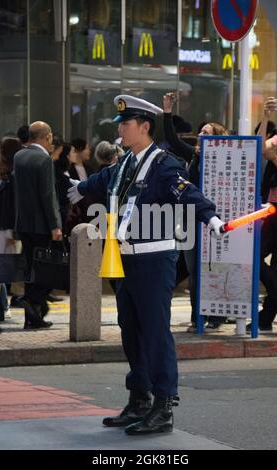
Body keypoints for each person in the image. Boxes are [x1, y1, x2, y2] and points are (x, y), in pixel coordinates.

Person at [68, 95, 224, 435]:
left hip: (154, 261)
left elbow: (188, 193)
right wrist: (79, 187)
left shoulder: (164, 164)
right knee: (131, 331)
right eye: (120, 123)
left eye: (125, 124)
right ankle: (139, 397)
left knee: (155, 332)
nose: (120, 128)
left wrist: (212, 219)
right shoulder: (125, 164)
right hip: (125, 261)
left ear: (145, 127)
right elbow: (102, 181)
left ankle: (164, 405)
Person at [163, 92, 228, 331]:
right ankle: (197, 316)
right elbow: (171, 139)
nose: (201, 134)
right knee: (194, 270)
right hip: (191, 220)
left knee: (213, 267)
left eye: (207, 132)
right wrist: (167, 111)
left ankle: (217, 316)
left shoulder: (223, 159)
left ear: (218, 139)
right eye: (202, 131)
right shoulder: (195, 154)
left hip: (213, 220)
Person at [14, 121, 62, 329]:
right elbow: (47, 195)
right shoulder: (43, 159)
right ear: (47, 137)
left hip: (23, 223)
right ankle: (30, 299)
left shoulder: (19, 156)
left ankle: (32, 318)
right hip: (42, 224)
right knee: (48, 270)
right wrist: (55, 225)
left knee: (32, 269)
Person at [247, 97, 277, 334]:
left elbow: (270, 155)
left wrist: (276, 159)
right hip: (273, 208)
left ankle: (266, 318)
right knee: (253, 256)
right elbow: (259, 149)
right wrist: (265, 116)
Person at [0, 137, 23, 327]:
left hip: (4, 233)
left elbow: (14, 207)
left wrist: (13, 233)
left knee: (1, 275)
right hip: (3, 232)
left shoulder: (11, 179)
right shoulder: (8, 178)